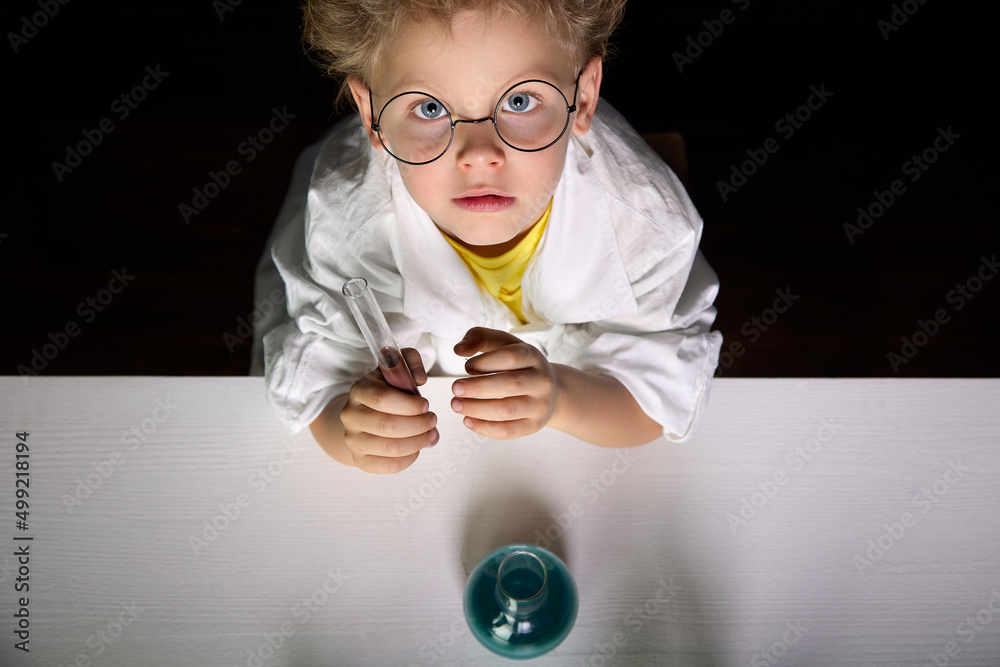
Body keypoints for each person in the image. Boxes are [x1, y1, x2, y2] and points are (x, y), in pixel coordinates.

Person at [256, 0, 723, 473]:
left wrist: (562, 398)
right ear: (371, 113)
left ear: (582, 98)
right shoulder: (345, 222)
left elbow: (656, 398)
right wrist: (358, 433)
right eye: (430, 107)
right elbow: (322, 386)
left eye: (519, 101)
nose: (479, 155)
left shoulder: (647, 225)